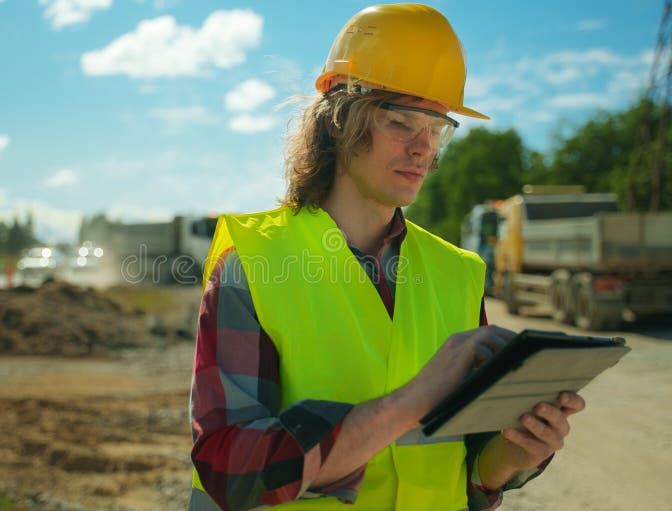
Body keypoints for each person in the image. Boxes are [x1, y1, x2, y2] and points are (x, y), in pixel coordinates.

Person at [188, 4, 585, 510]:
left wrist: (510, 454)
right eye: (401, 122)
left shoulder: (458, 272)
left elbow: (467, 470)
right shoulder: (254, 260)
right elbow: (230, 466)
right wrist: (409, 403)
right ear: (338, 121)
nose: (424, 149)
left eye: (437, 128)